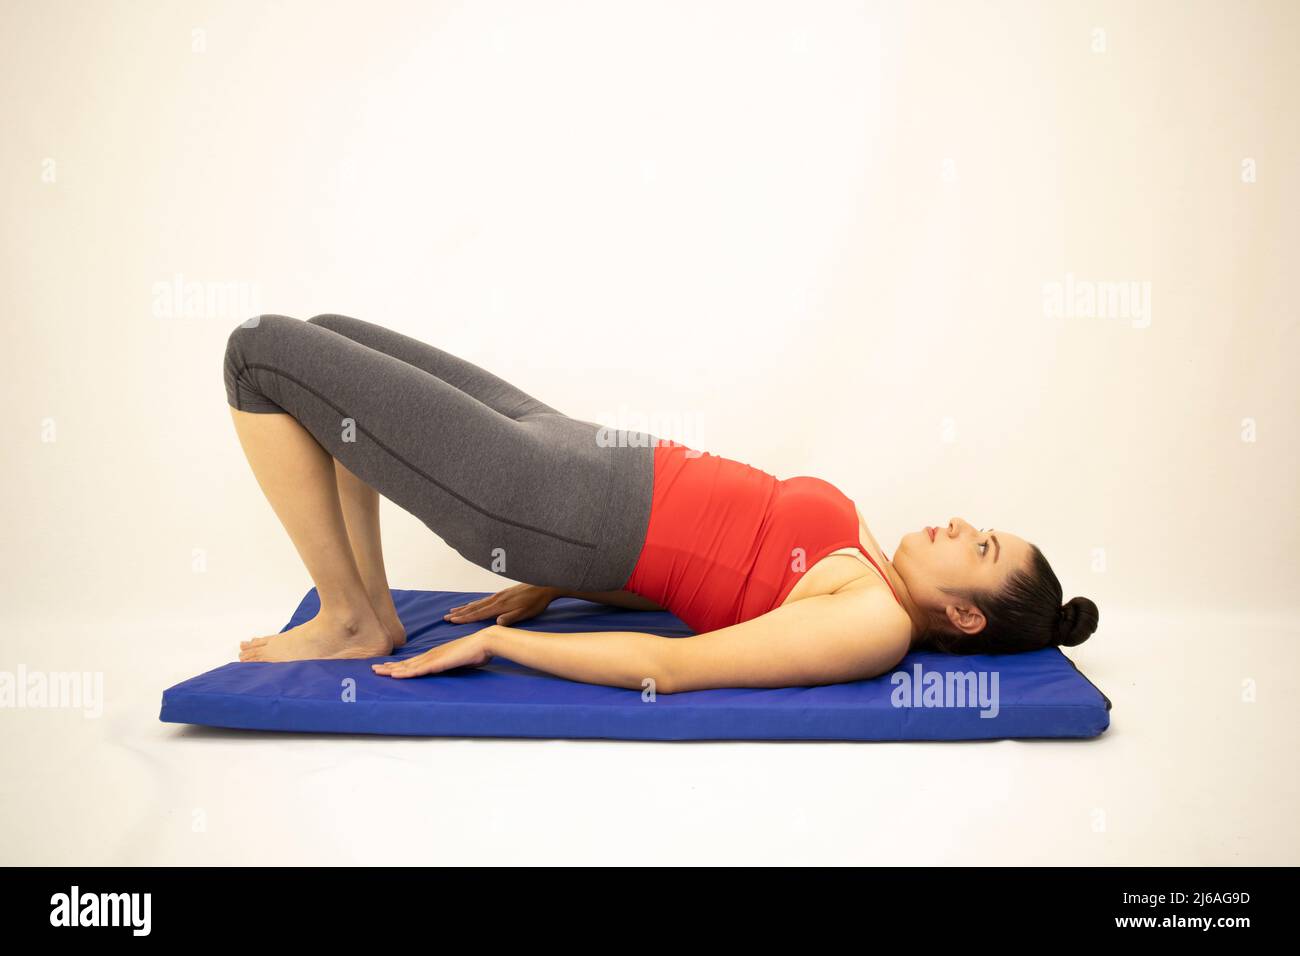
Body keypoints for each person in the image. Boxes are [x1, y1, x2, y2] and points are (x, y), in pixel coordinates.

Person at [224, 314, 1099, 693]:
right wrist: (561, 587)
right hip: (565, 444)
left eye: (980, 549)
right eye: (984, 528)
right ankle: (367, 607)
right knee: (327, 333)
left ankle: (350, 616)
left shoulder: (874, 623)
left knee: (258, 354)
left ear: (966, 618)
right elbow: (707, 584)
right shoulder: (866, 559)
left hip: (542, 494)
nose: (960, 525)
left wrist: (504, 640)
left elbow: (672, 667)